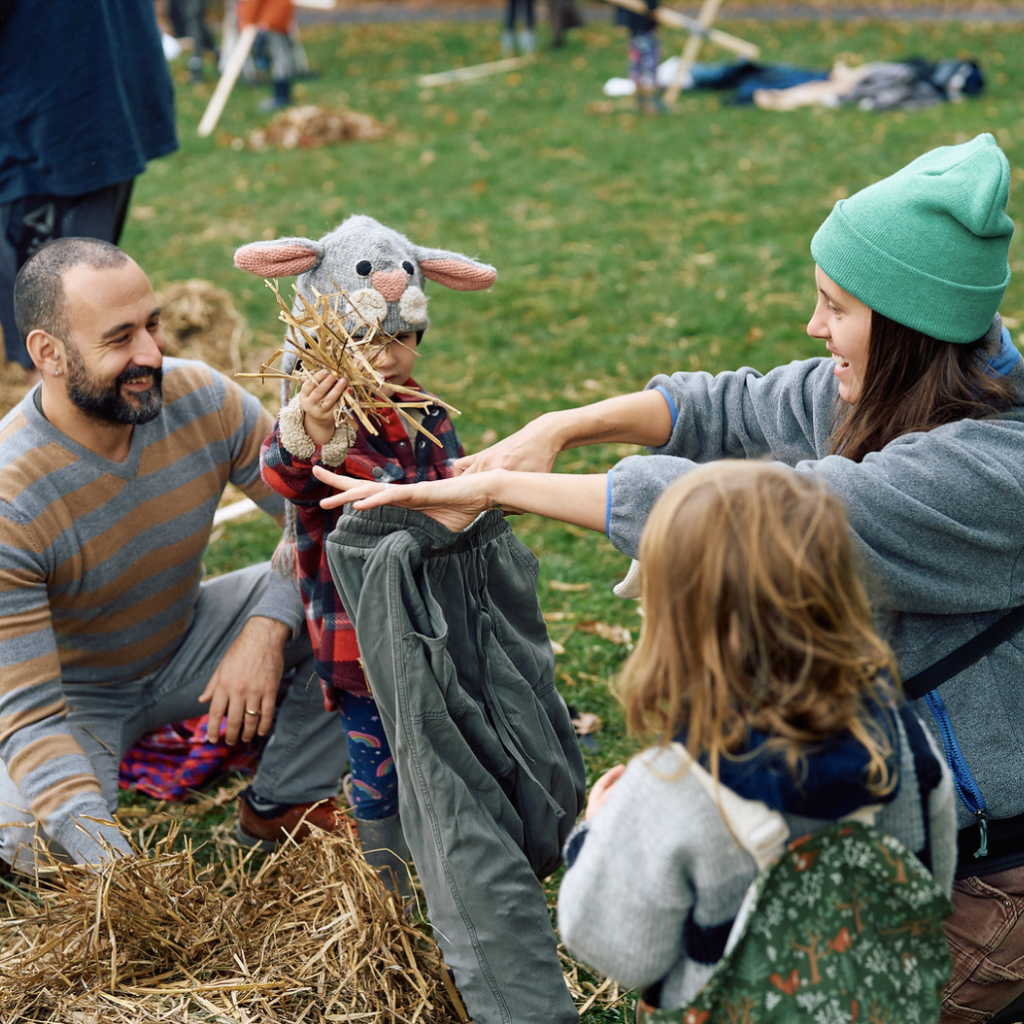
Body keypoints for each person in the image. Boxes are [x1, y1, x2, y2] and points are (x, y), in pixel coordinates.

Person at [312, 133, 1024, 1023]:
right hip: (901, 833)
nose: (814, 328)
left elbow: (757, 517)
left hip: (990, 883)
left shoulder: (990, 475)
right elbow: (732, 405)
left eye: (834, 308)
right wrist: (565, 425)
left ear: (908, 326)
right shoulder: (905, 388)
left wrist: (499, 487)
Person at [555, 461, 955, 1014]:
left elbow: (618, 948)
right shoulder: (898, 733)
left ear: (677, 622)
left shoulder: (668, 787)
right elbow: (932, 880)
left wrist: (593, 835)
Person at [0, 237, 349, 872]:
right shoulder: (10, 499)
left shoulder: (201, 397)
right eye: (119, 337)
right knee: (37, 846)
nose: (151, 354)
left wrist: (266, 631)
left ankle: (282, 801)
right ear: (47, 353)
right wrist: (119, 878)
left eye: (153, 325)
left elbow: (317, 514)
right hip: (74, 698)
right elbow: (28, 716)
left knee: (366, 586)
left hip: (189, 640)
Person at [251, 214, 493, 881]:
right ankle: (388, 885)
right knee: (377, 765)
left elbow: (453, 491)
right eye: (362, 339)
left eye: (404, 337)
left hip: (432, 623)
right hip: (358, 640)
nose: (387, 357)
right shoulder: (321, 425)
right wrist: (312, 427)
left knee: (438, 743)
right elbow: (289, 477)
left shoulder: (425, 412)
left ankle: (451, 854)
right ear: (321, 344)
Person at [0, 0, 178, 376]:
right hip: (100, 101)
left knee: (56, 331)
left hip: (47, 127)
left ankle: (67, 425)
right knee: (82, 310)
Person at [616, 0, 665, 114]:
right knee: (646, 69)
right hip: (641, 32)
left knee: (642, 68)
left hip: (639, 32)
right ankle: (648, 103)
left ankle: (644, 102)